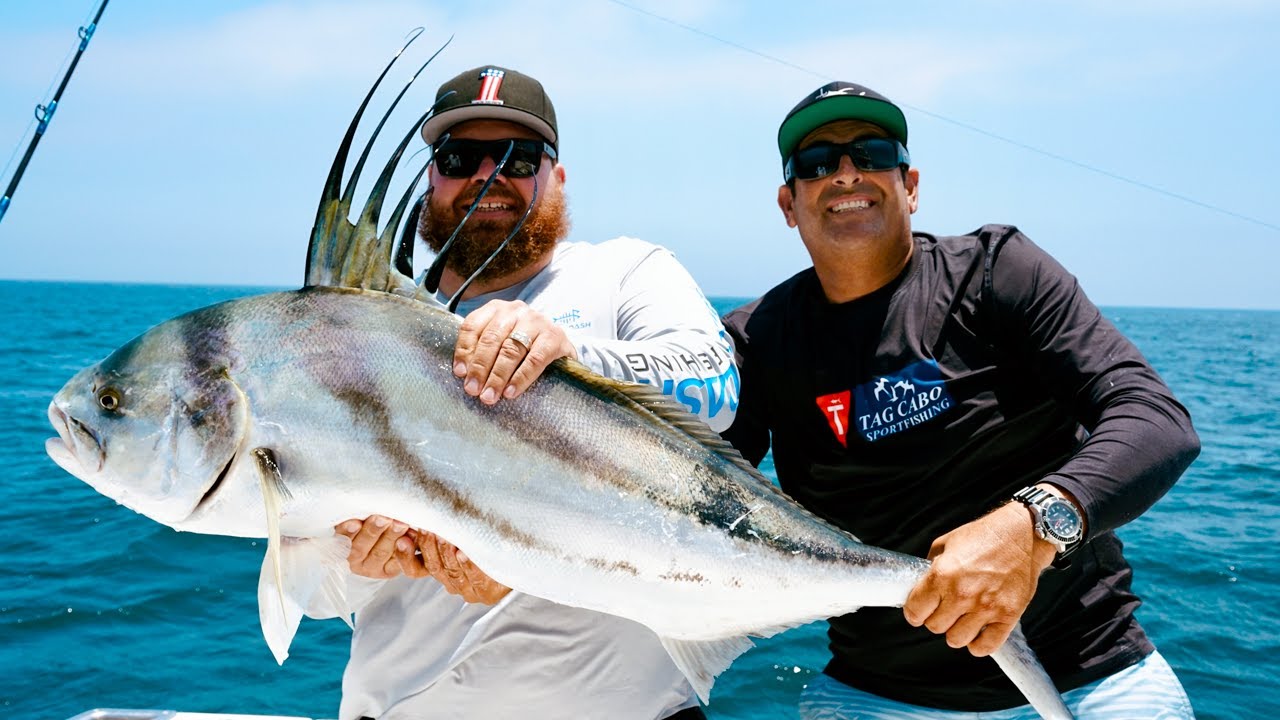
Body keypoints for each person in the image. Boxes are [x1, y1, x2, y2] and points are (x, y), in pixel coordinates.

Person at [720, 82, 1201, 718]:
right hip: (874, 694)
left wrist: (1031, 526)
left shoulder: (998, 270)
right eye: (816, 164)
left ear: (910, 184)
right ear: (789, 203)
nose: (845, 173)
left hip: (1090, 676)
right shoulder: (756, 341)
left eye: (871, 152)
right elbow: (691, 488)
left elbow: (1155, 420)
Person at [331, 65, 737, 720]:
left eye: (518, 158)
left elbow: (715, 389)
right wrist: (357, 561)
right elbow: (313, 582)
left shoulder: (624, 274)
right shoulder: (364, 331)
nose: (487, 177)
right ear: (432, 176)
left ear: (559, 177)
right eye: (460, 157)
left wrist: (570, 355)